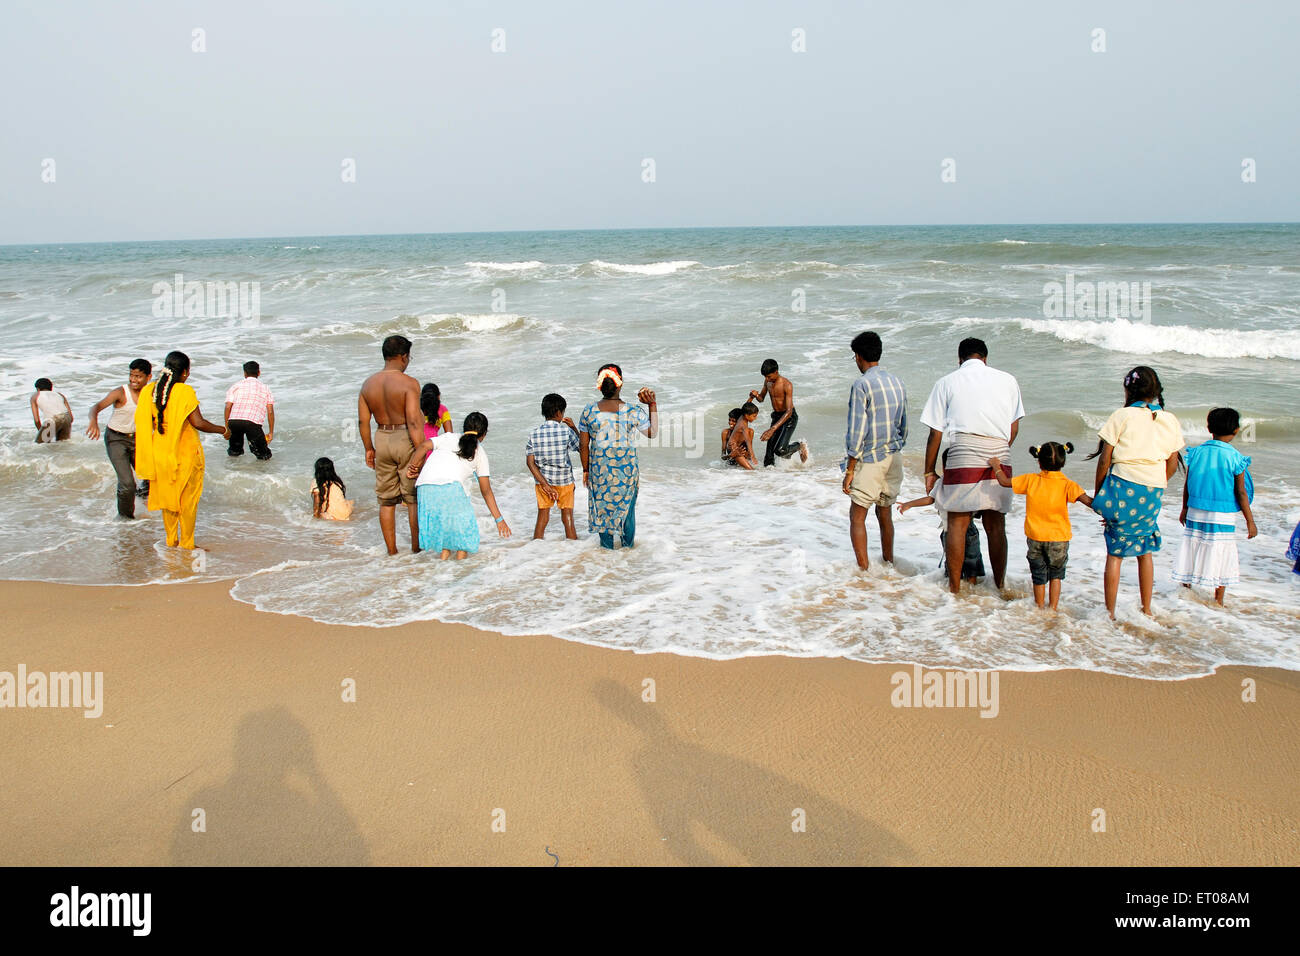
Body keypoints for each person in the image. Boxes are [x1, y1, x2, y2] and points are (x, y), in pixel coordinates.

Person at [920, 337, 1025, 594]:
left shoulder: (946, 382)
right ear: (985, 359)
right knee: (995, 525)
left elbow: (935, 433)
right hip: (999, 453)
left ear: (960, 360)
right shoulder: (1008, 380)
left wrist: (929, 471)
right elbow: (1014, 426)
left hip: (963, 451)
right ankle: (1000, 585)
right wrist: (998, 450)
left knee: (958, 522)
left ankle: (954, 589)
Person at [1087, 366, 1184, 619]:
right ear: (1156, 391)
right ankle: (1147, 608)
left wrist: (1100, 496)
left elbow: (1104, 460)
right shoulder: (1169, 419)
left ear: (1128, 389)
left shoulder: (1122, 415)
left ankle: (1109, 612)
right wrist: (1157, 480)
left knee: (1115, 552)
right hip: (1153, 490)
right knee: (1144, 548)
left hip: (1122, 486)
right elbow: (1173, 462)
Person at [133, 351, 228, 550]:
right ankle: (187, 543)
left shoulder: (149, 391)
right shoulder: (184, 391)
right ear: (185, 372)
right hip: (184, 454)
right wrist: (224, 430)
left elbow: (143, 424)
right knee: (188, 501)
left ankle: (170, 540)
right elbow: (198, 422)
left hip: (159, 453)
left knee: (168, 500)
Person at [990, 442, 1094, 610]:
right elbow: (1089, 502)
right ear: (1063, 462)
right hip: (1059, 538)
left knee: (1038, 575)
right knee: (1056, 575)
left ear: (1039, 462)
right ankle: (1052, 608)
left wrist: (996, 466)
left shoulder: (1030, 480)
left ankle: (1039, 607)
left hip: (1035, 537)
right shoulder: (1068, 484)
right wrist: (1110, 513)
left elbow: (1004, 482)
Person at [1172, 407, 1258, 606]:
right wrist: (1250, 521)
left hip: (1195, 508)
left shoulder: (1197, 452)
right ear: (1236, 430)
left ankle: (1186, 588)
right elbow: (1241, 492)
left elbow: (1188, 483)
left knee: (1193, 545)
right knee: (1221, 550)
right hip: (1222, 513)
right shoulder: (1236, 457)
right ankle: (1218, 599)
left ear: (1208, 427)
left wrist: (1184, 508)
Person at [842, 331, 908, 570]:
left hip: (870, 459)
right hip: (894, 455)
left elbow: (857, 431)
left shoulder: (862, 384)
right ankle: (888, 563)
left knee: (857, 516)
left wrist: (850, 469)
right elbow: (904, 426)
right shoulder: (897, 381)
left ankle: (864, 571)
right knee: (885, 514)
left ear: (859, 356)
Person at [406, 412, 510, 558]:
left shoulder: (448, 437)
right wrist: (499, 519)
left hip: (424, 488)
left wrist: (413, 467)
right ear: (484, 434)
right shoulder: (479, 452)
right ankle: (459, 576)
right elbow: (486, 491)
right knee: (464, 540)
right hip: (449, 488)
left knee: (446, 540)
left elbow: (423, 446)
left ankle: (443, 571)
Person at [579, 364, 658, 550]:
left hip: (599, 472)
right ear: (620, 384)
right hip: (627, 472)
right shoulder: (632, 411)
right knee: (627, 513)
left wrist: (585, 470)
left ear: (599, 386)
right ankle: (627, 552)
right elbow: (652, 433)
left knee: (603, 512)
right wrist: (652, 405)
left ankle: (607, 553)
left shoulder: (589, 411)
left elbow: (584, 445)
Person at [358, 335, 424, 555]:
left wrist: (369, 448)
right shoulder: (409, 384)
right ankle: (416, 548)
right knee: (412, 498)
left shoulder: (368, 384)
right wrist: (421, 452)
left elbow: (363, 421)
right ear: (403, 357)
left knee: (386, 501)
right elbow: (414, 421)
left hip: (381, 437)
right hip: (404, 437)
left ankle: (392, 552)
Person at [897, 450, 985, 587]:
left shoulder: (942, 482)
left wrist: (909, 504)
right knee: (972, 563)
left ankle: (954, 591)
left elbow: (929, 499)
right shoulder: (967, 481)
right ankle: (971, 592)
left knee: (952, 563)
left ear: (944, 466)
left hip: (949, 532)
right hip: (968, 530)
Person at [86, 358, 152, 518]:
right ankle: (125, 518)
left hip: (138, 440)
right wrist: (93, 421)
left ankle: (141, 500)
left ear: (148, 377)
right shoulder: (120, 393)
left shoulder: (150, 393)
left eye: (138, 376)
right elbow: (96, 407)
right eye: (131, 375)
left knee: (151, 477)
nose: (133, 380)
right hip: (116, 439)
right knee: (127, 483)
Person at [526, 393, 580, 540]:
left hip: (543, 483)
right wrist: (574, 427)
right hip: (564, 481)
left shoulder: (534, 434)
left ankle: (536, 546)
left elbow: (530, 463)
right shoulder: (566, 431)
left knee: (543, 517)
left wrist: (545, 484)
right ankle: (574, 547)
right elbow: (581, 447)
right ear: (559, 413)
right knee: (567, 516)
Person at [749, 359, 808, 466]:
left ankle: (799, 446)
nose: (767, 379)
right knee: (768, 458)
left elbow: (789, 411)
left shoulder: (787, 385)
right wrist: (756, 395)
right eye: (765, 377)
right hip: (776, 416)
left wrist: (772, 429)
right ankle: (770, 479)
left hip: (789, 418)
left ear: (776, 372)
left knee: (780, 450)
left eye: (769, 376)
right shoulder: (768, 382)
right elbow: (761, 398)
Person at [224, 361, 275, 460]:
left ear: (245, 373)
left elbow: (227, 407)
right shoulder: (265, 388)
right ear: (259, 373)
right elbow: (270, 412)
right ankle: (262, 474)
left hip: (234, 421)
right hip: (252, 422)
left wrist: (227, 428)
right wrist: (271, 432)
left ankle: (231, 472)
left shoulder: (236, 386)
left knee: (234, 452)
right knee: (264, 455)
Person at [31, 378, 73, 443]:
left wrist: (43, 433)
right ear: (51, 388)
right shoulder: (60, 395)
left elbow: (37, 420)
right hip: (67, 418)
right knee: (63, 445)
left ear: (38, 389)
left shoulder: (35, 396)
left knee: (39, 445)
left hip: (52, 420)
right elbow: (71, 418)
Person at [726, 402, 760, 469]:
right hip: (734, 449)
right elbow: (747, 440)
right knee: (750, 469)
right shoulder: (743, 425)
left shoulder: (741, 417)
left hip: (735, 446)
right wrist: (752, 456)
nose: (755, 418)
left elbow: (744, 407)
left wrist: (751, 398)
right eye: (754, 416)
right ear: (747, 415)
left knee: (747, 468)